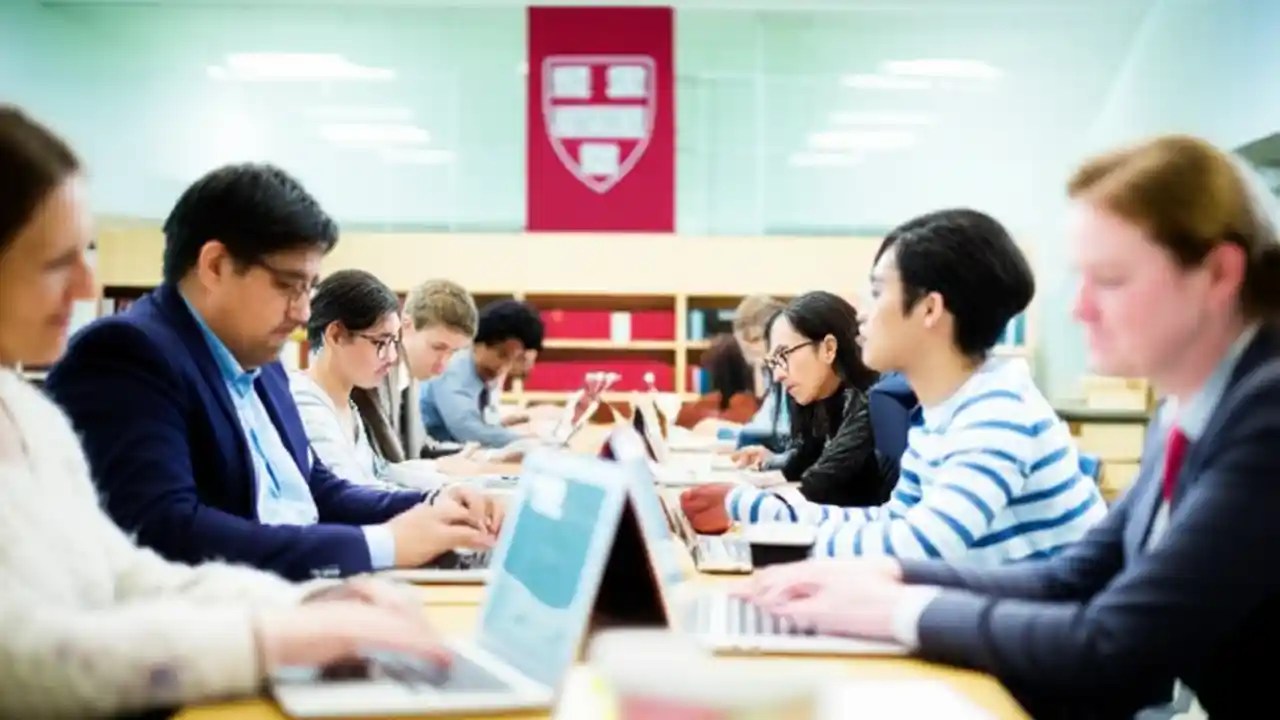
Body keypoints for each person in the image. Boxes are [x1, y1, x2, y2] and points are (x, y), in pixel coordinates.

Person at [737, 136, 1280, 718]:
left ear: (1220, 274)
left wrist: (893, 608)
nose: (1080, 309)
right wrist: (884, 573)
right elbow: (1076, 575)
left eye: (1112, 279)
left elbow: (1116, 643)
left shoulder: (1265, 418)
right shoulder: (1192, 407)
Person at [0, 105, 450, 718]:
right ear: (214, 265)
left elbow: (125, 571)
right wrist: (276, 636)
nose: (85, 288)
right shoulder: (125, 352)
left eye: (89, 251)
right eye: (56, 261)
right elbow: (25, 660)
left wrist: (305, 609)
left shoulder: (27, 411)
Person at [45, 162, 501, 582]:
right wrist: (383, 544)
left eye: (310, 289)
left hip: (302, 590)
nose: (304, 312)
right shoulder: (127, 354)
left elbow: (316, 487)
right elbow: (167, 529)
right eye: (288, 287)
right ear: (216, 266)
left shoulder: (263, 363)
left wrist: (432, 505)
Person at [685, 209, 1104, 564]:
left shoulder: (997, 409)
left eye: (876, 291)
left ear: (929, 309)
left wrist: (757, 520)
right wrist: (743, 504)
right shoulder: (940, 412)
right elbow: (893, 523)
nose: (860, 316)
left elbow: (914, 549)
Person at [687, 291, 888, 513]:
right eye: (774, 362)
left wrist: (734, 501)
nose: (777, 375)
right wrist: (772, 464)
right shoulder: (824, 403)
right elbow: (803, 463)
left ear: (829, 349)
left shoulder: (873, 402)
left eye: (784, 355)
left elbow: (818, 483)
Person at [290, 269, 440, 489]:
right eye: (381, 343)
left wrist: (454, 485)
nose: (392, 357)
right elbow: (350, 490)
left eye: (393, 343)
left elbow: (377, 471)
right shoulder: (306, 404)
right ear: (336, 335)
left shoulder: (346, 402)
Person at [366, 277, 478, 461]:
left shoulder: (411, 374)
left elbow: (419, 448)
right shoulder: (373, 377)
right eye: (438, 347)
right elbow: (381, 466)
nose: (444, 362)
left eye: (454, 352)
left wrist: (478, 455)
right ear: (406, 325)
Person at [419, 298, 546, 448]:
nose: (505, 365)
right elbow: (468, 432)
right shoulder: (452, 368)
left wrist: (502, 426)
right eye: (502, 354)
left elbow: (482, 421)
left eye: (513, 358)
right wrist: (528, 441)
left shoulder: (487, 372)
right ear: (476, 342)